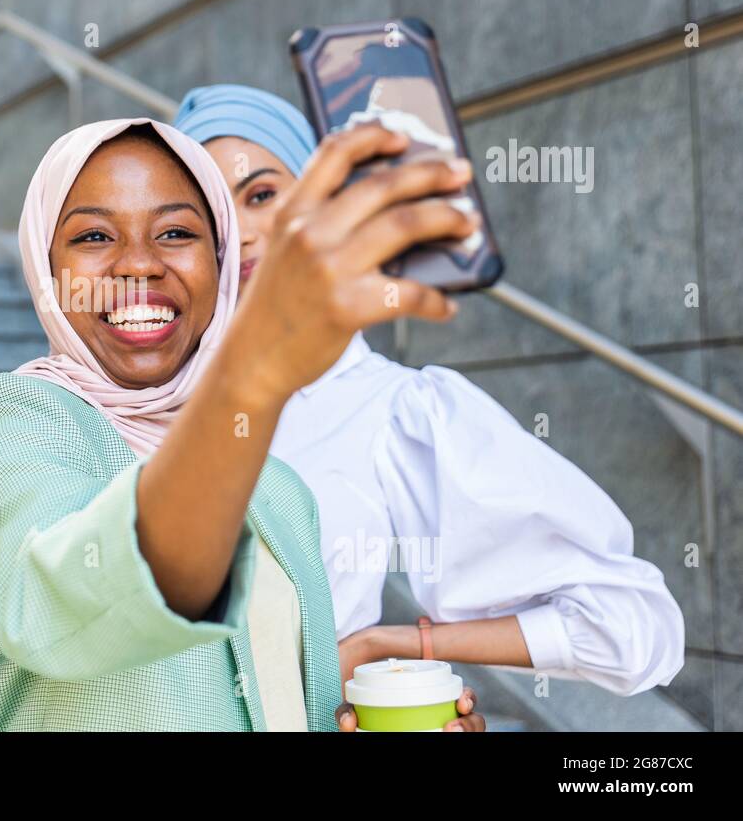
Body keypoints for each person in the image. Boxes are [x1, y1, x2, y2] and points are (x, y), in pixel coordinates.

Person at [0, 117, 486, 730]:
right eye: (93, 237)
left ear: (219, 263)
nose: (138, 265)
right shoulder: (13, 420)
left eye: (175, 232)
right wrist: (253, 372)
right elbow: (52, 604)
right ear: (45, 265)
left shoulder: (277, 490)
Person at [174, 83, 685, 704]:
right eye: (206, 217)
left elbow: (630, 628)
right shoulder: (129, 404)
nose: (244, 234)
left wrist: (391, 647)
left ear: (327, 206)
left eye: (262, 195)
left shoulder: (394, 411)